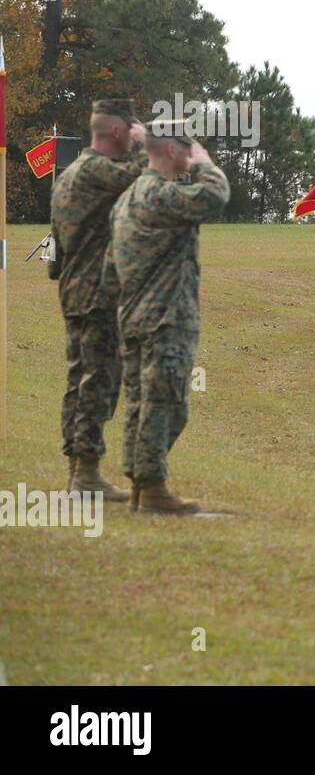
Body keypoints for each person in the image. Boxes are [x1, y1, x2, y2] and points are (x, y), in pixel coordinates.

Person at [101, 130, 230, 512]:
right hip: (166, 318)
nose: (193, 153)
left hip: (133, 319)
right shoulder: (163, 195)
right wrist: (205, 164)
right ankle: (152, 486)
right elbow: (216, 195)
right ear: (172, 149)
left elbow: (110, 271)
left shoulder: (125, 201)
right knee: (167, 403)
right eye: (188, 147)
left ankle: (140, 486)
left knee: (140, 402)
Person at [50, 98, 147, 499]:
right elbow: (146, 175)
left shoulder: (69, 174)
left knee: (81, 378)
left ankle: (79, 472)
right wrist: (147, 142)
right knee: (99, 380)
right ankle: (85, 474)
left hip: (75, 288)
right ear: (117, 132)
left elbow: (55, 250)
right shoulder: (97, 171)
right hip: (96, 292)